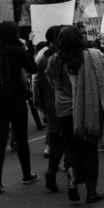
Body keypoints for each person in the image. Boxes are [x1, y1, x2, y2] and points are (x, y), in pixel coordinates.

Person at [46, 25, 104, 203]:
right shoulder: (91, 56)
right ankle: (91, 191)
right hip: (87, 109)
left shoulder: (54, 60)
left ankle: (73, 179)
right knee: (89, 149)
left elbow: (52, 82)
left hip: (64, 110)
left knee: (70, 146)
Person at [0, 21, 39, 194]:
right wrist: (26, 49)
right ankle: (27, 174)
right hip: (15, 97)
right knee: (21, 138)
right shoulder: (17, 51)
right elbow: (33, 68)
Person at [35, 25, 66, 192]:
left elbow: (38, 82)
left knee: (55, 140)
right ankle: (72, 176)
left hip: (49, 104)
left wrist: (39, 101)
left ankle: (51, 171)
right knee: (70, 140)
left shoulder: (43, 58)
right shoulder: (61, 58)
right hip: (63, 103)